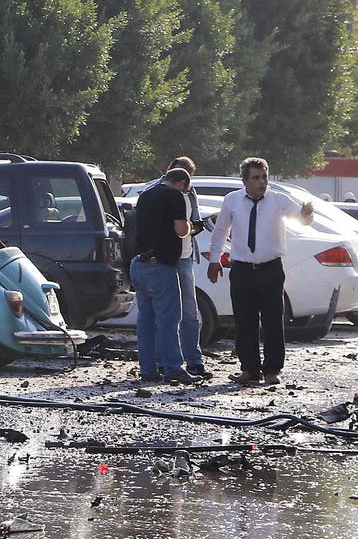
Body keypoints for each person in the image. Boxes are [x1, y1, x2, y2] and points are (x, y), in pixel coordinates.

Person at [206, 157, 313, 386]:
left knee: (273, 320)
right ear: (244, 180)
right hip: (242, 269)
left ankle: (272, 370)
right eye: (256, 178)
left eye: (264, 177)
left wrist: (307, 214)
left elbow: (302, 220)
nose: (262, 182)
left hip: (270, 269)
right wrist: (214, 260)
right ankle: (249, 369)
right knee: (245, 322)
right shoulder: (232, 200)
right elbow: (221, 230)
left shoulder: (279, 200)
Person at [131, 168, 200, 385]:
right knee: (169, 320)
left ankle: (148, 368)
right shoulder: (174, 196)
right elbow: (180, 230)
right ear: (181, 184)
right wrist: (191, 226)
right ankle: (172, 367)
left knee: (145, 320)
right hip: (161, 266)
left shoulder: (145, 195)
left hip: (139, 263)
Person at [156, 156, 209, 377]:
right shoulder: (155, 191)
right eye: (180, 173)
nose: (184, 180)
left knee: (190, 310)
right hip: (162, 257)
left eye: (188, 175)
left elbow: (194, 222)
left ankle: (194, 360)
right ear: (169, 170)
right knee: (164, 313)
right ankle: (164, 361)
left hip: (184, 256)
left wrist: (194, 227)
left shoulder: (190, 191)